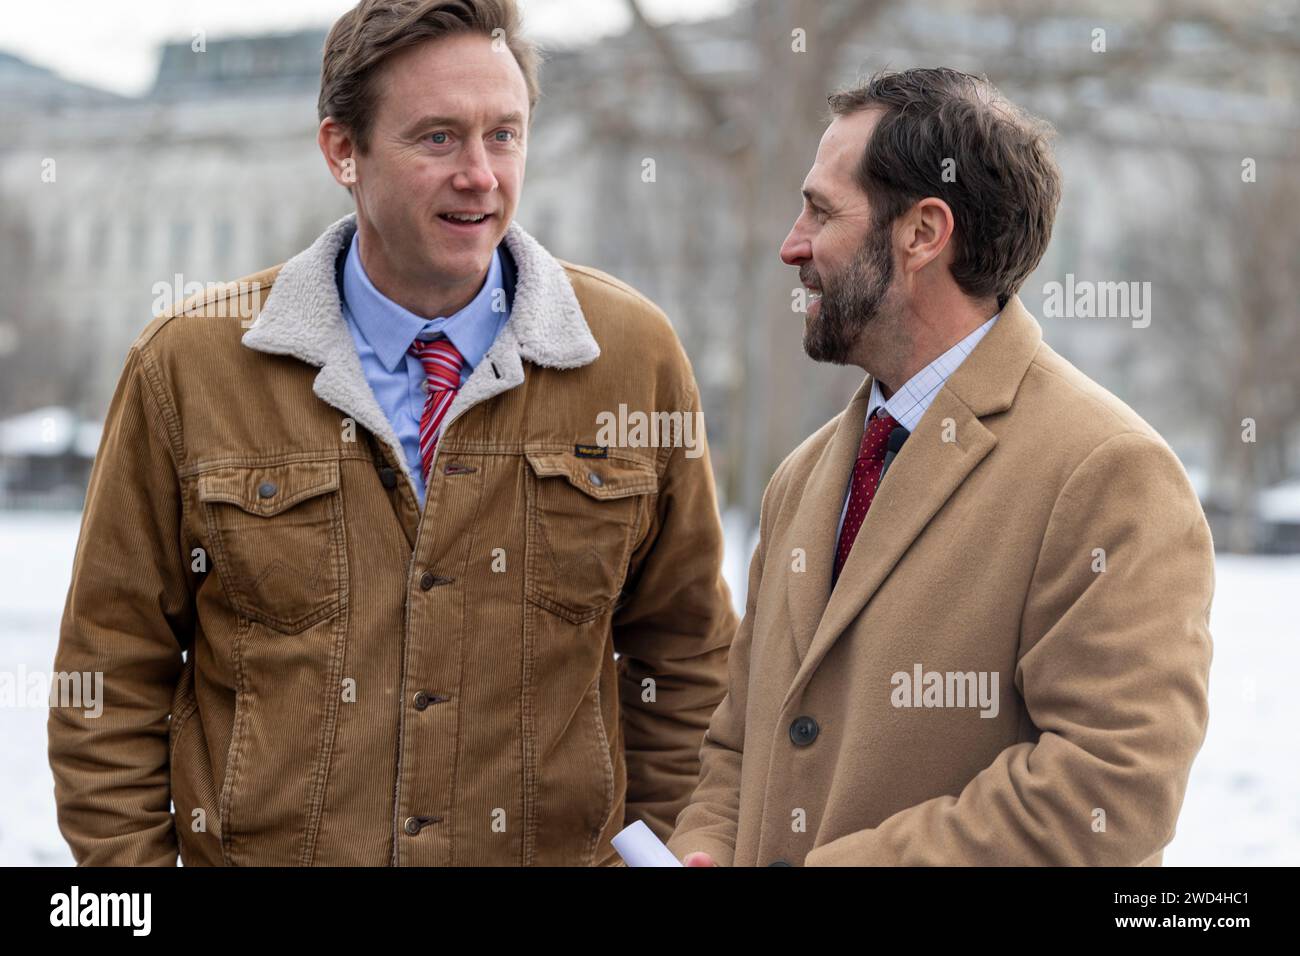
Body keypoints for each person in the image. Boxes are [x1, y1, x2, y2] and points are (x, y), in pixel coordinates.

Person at [48, 0, 736, 866]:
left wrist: (666, 850)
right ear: (344, 150)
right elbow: (106, 679)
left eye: (505, 135)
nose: (481, 174)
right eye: (439, 138)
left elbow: (689, 662)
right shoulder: (187, 367)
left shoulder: (632, 359)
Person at [667, 67, 1214, 867]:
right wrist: (706, 847)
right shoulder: (803, 477)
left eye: (821, 210)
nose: (793, 245)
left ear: (923, 233)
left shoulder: (1110, 471)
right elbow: (738, 745)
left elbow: (1109, 789)